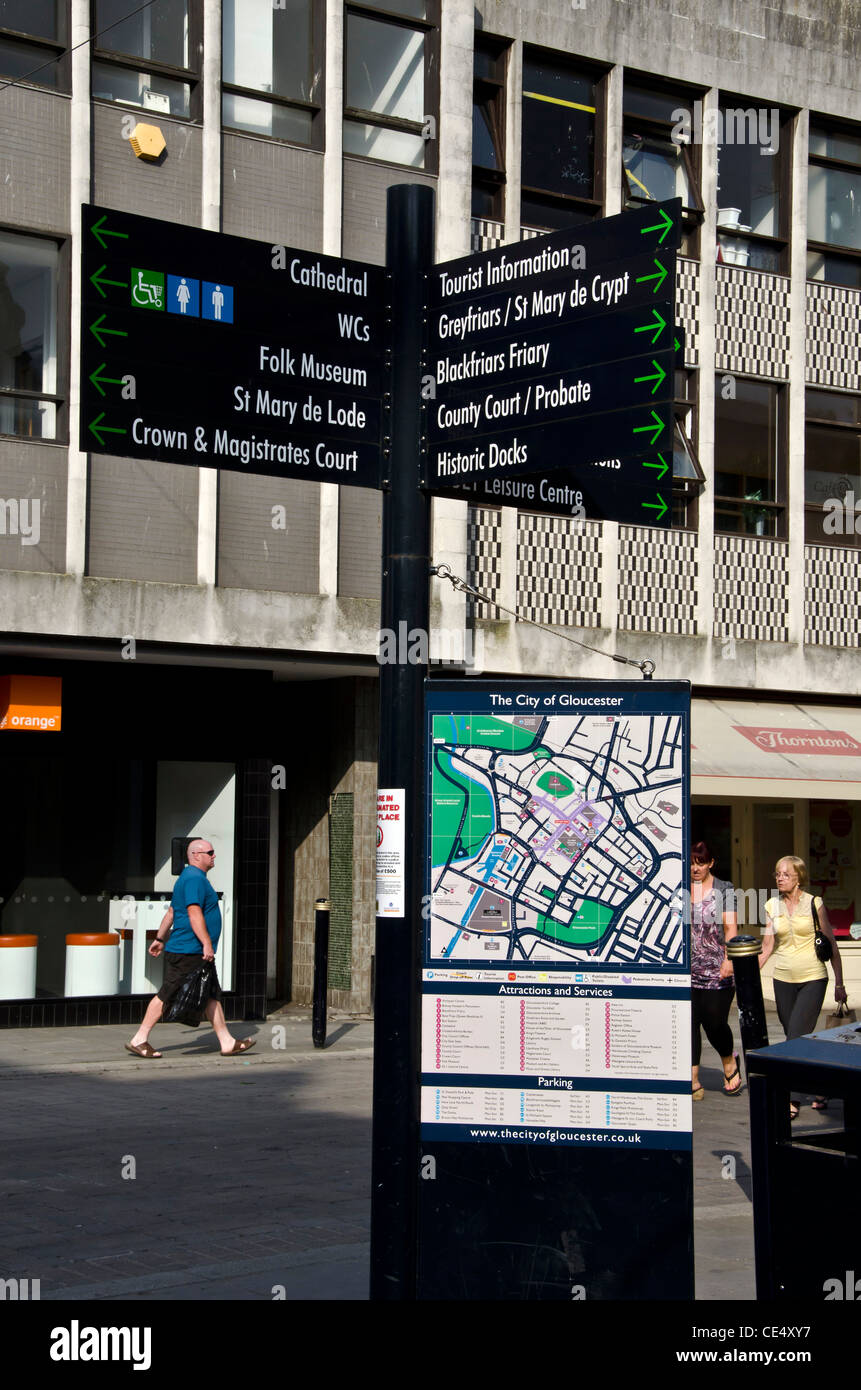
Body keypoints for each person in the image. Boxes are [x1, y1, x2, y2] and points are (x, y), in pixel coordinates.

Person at [125, 838, 255, 1059]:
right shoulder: (194, 879)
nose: (214, 856)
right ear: (196, 855)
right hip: (189, 950)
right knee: (167, 993)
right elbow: (194, 913)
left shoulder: (188, 878)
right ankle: (139, 1039)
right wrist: (206, 943)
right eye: (210, 852)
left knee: (211, 994)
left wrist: (159, 937)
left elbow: (172, 912)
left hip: (192, 950)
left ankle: (227, 1042)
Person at [760, 855, 846, 1118]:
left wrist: (840, 983)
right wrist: (747, 978)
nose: (780, 878)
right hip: (782, 978)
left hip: (813, 977)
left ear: (799, 877)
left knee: (795, 1036)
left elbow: (831, 944)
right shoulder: (771, 905)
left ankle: (792, 1097)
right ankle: (822, 1085)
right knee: (798, 1037)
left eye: (785, 874)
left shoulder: (814, 903)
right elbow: (767, 947)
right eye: (777, 874)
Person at [690, 842, 741, 1099]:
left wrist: (729, 959)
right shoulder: (680, 888)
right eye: (692, 863)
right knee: (690, 1022)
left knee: (714, 1021)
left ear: (711, 863)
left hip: (717, 966)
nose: (695, 868)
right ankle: (693, 1078)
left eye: (700, 863)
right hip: (688, 968)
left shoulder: (724, 889)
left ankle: (729, 1061)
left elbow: (730, 927)